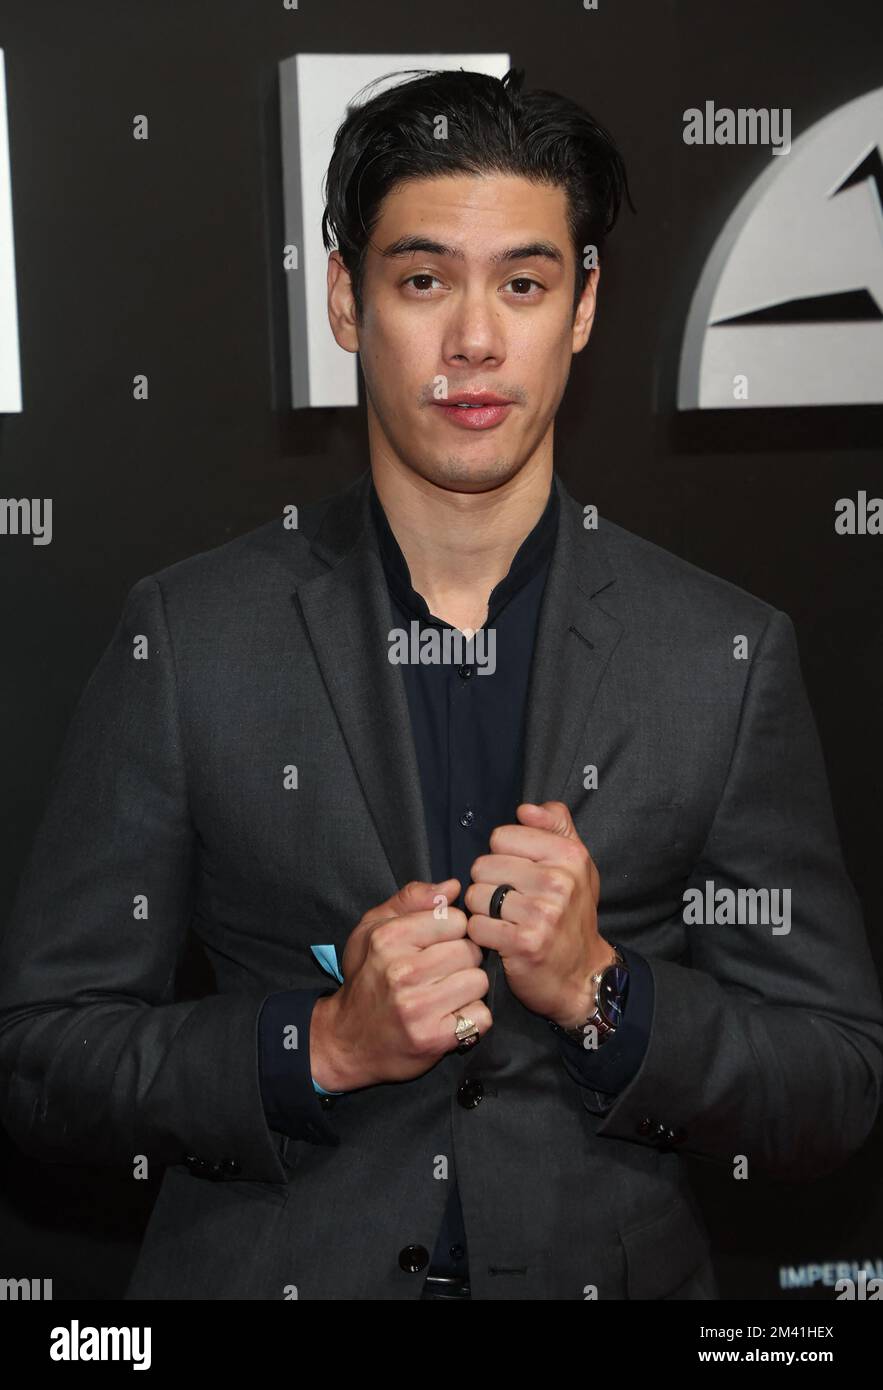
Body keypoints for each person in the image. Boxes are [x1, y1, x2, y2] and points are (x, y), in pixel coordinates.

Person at [1, 67, 881, 1302]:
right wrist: (314, 1045)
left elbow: (831, 1083)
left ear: (580, 306)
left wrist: (602, 994)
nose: (474, 339)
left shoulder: (720, 654)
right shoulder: (191, 636)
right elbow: (42, 1060)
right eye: (423, 281)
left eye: (522, 283)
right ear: (347, 303)